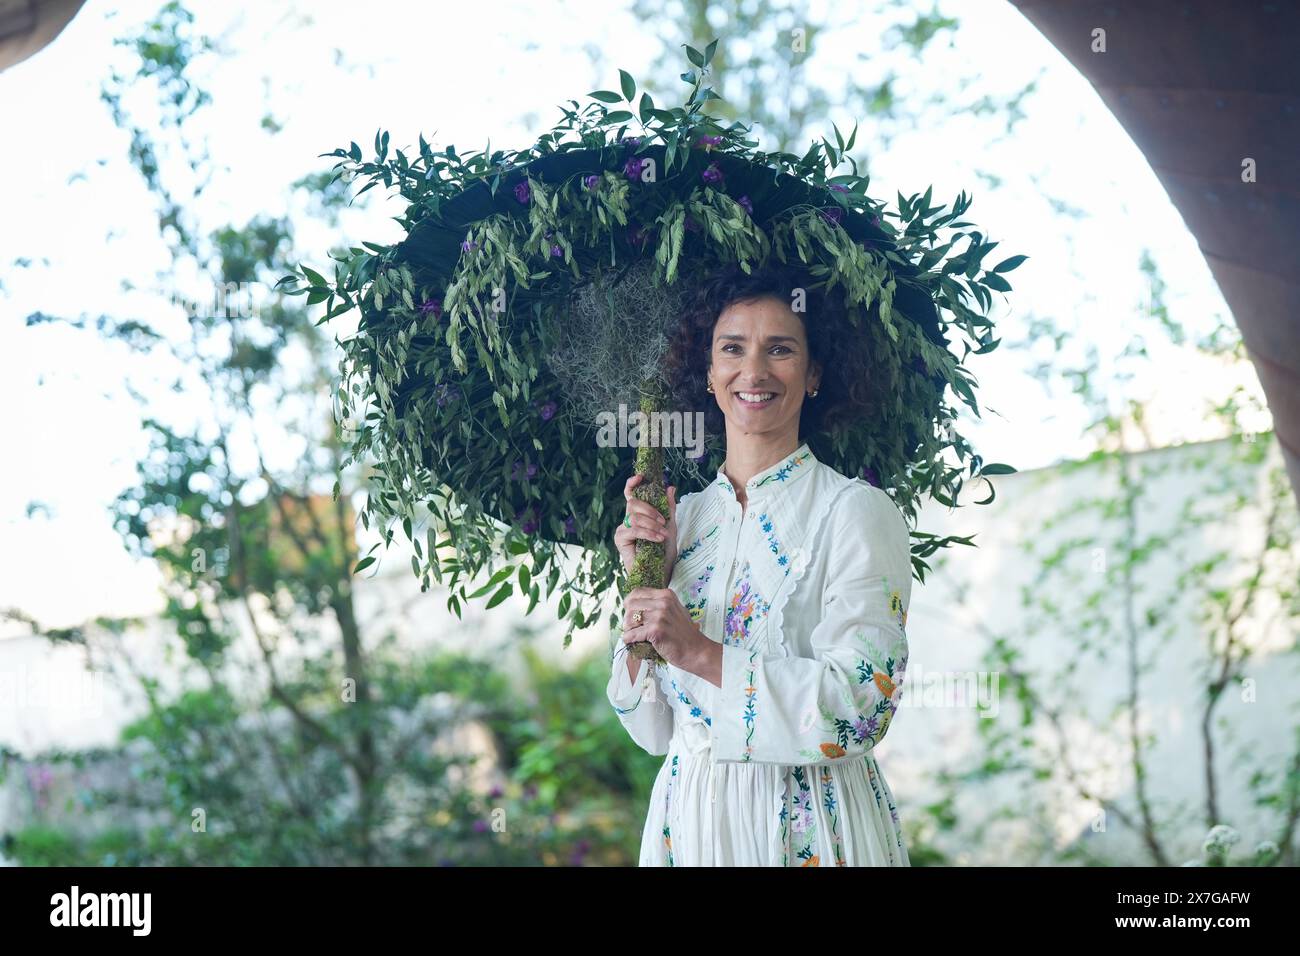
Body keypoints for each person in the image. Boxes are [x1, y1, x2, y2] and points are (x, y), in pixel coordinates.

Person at [608, 263, 913, 866]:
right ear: (709, 373)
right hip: (689, 822)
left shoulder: (855, 512)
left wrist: (700, 651)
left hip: (808, 827)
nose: (754, 371)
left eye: (780, 349)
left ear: (815, 372)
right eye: (732, 349)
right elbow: (652, 731)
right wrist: (647, 583)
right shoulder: (683, 520)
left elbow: (861, 707)